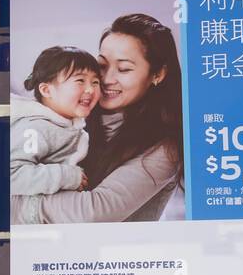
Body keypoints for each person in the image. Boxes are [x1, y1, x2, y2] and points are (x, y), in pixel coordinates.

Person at [14, 13, 183, 225]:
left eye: (124, 69)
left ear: (158, 74)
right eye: (101, 66)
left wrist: (15, 205)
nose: (106, 79)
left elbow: (93, 212)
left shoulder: (165, 148)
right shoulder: (73, 119)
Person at [10, 46, 99, 202]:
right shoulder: (34, 128)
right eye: (80, 80)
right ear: (46, 90)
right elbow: (11, 175)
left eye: (96, 81)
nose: (91, 89)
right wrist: (67, 176)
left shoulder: (71, 125)